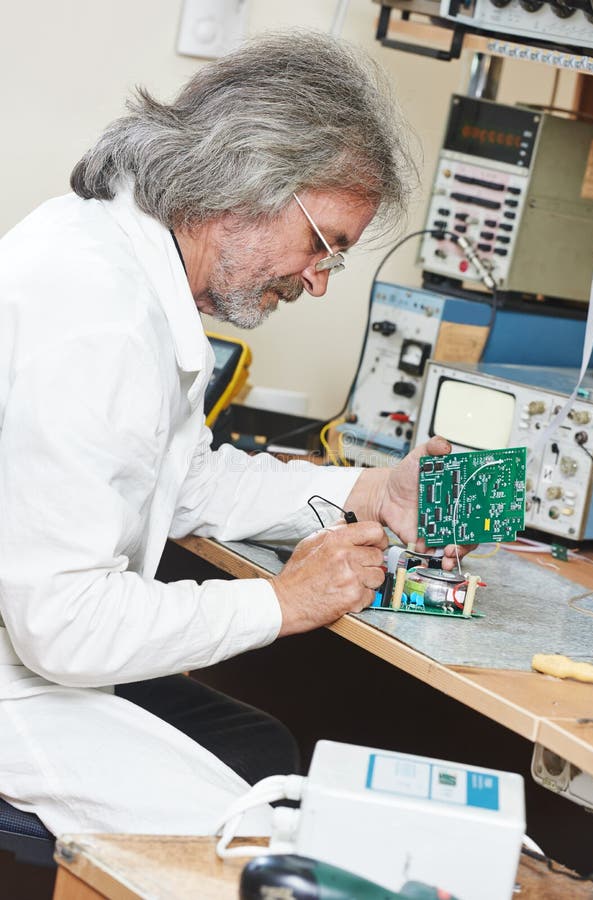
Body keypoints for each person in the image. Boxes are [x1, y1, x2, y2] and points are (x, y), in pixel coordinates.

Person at [0, 30, 466, 838]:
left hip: (34, 647)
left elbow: (183, 479)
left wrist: (368, 489)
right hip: (26, 677)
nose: (318, 281)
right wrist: (282, 601)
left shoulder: (114, 254)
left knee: (261, 746)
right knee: (258, 835)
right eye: (326, 246)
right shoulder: (98, 322)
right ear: (245, 186)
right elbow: (66, 627)